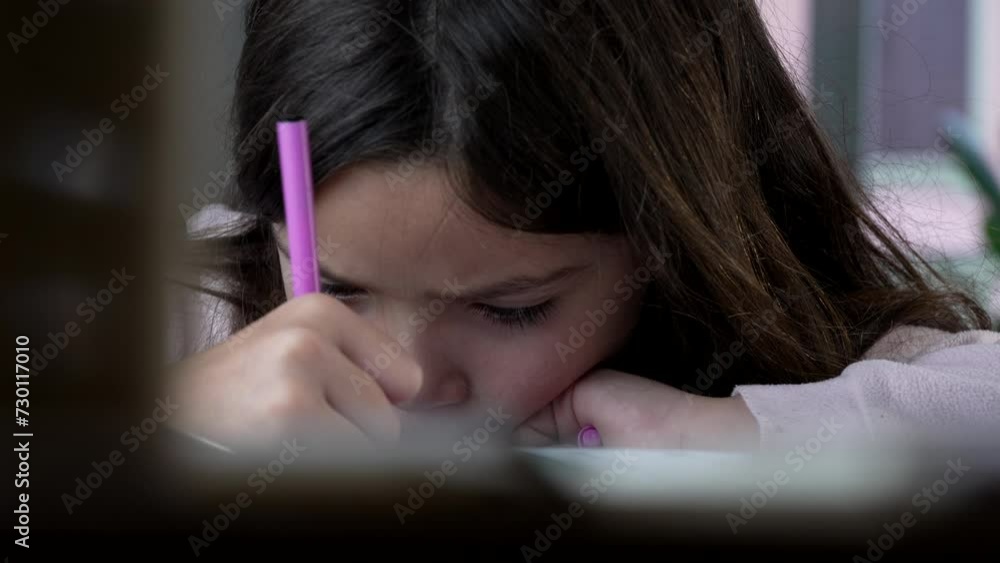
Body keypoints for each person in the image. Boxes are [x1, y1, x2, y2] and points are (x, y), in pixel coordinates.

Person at [165, 0, 1000, 456]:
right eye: (342, 290)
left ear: (670, 242)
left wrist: (730, 436)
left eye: (510, 309)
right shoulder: (192, 312)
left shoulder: (786, 362)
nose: (408, 379)